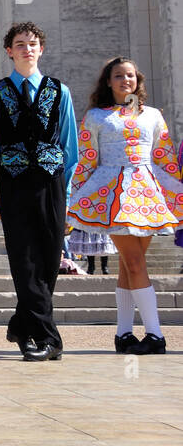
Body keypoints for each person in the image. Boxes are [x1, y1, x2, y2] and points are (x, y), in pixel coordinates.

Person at [68, 57, 181, 355]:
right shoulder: (95, 116)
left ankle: (123, 333)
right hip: (112, 193)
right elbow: (87, 157)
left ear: (137, 80)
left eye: (130, 75)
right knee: (133, 262)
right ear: (108, 81)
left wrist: (174, 190)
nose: (125, 80)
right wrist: (76, 193)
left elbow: (164, 156)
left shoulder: (153, 115)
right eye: (118, 75)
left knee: (130, 266)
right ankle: (155, 334)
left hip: (147, 191)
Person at [0, 22, 78, 362]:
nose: (26, 48)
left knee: (50, 260)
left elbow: (70, 147)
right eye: (19, 44)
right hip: (12, 184)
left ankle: (22, 323)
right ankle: (46, 338)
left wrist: (66, 194)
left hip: (51, 185)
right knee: (24, 261)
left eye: (32, 43)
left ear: (41, 49)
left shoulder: (59, 90)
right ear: (9, 51)